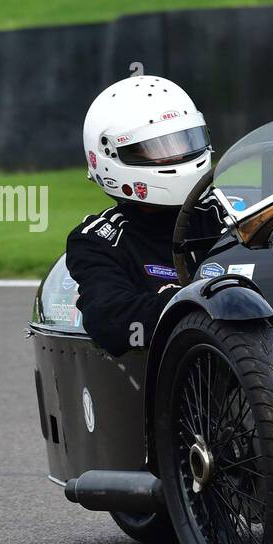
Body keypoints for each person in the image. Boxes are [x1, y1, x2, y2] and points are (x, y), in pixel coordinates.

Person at [66, 75, 223, 356]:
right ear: (109, 156)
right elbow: (110, 320)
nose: (177, 157)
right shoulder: (99, 240)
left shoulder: (224, 213)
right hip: (169, 380)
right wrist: (202, 303)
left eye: (184, 142)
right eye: (158, 149)